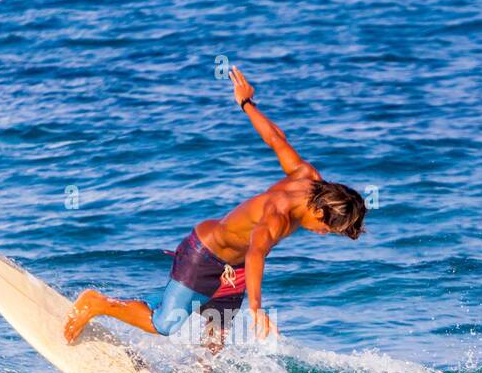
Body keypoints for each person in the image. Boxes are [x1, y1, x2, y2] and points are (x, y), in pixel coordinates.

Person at [63, 67, 365, 351]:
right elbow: (256, 251)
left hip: (234, 267)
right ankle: (98, 303)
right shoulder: (279, 213)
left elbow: (276, 139)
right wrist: (257, 307)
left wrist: (246, 102)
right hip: (205, 254)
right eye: (328, 229)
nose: (324, 234)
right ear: (321, 212)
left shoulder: (309, 178)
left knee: (215, 335)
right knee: (166, 323)